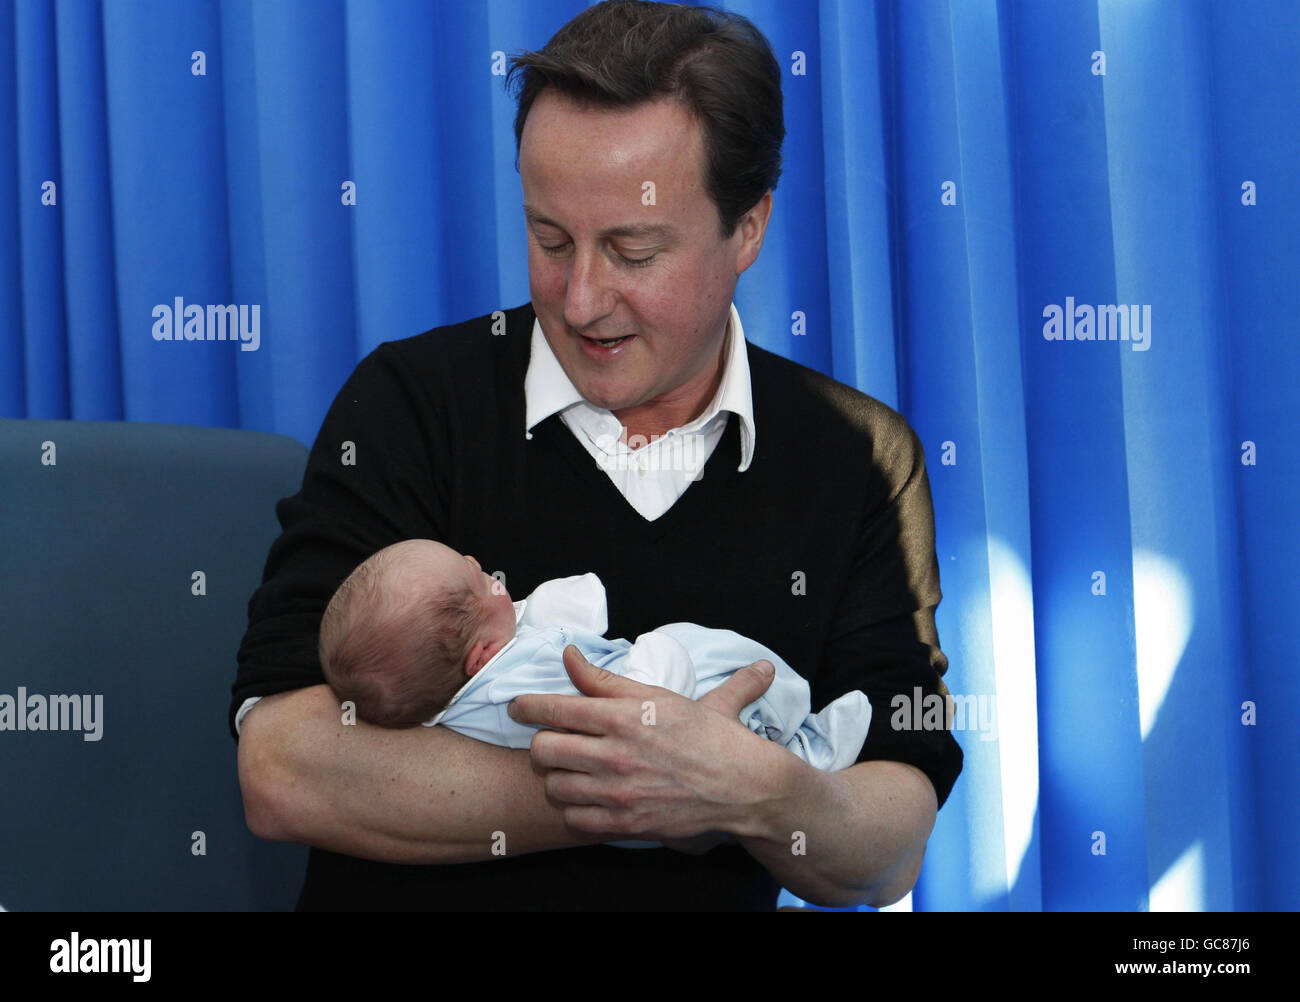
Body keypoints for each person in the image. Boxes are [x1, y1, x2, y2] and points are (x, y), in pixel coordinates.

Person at [232, 0, 962, 911]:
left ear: (749, 227)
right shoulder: (411, 402)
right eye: (550, 240)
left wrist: (761, 791)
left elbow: (887, 848)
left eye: (633, 249)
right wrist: (645, 785)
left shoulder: (858, 457)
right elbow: (283, 765)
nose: (580, 300)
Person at [316, 539, 873, 779]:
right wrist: (661, 663)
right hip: (661, 713)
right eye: (477, 579)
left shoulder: (468, 685)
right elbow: (614, 701)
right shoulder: (518, 690)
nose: (477, 561)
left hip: (650, 732)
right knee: (700, 650)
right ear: (481, 656)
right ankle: (803, 753)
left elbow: (543, 617)